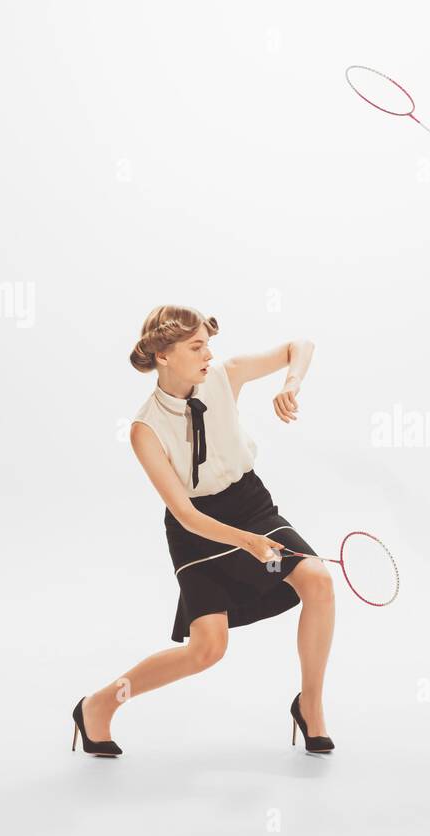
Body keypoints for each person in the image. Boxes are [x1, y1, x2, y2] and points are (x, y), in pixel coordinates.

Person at [70, 305, 336, 757]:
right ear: (164, 356)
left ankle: (310, 705)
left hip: (250, 505)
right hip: (196, 528)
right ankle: (96, 707)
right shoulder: (144, 429)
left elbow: (301, 346)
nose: (208, 355)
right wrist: (249, 544)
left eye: (208, 344)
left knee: (319, 581)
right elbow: (186, 515)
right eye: (196, 347)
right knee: (207, 649)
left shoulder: (224, 377)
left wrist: (291, 384)